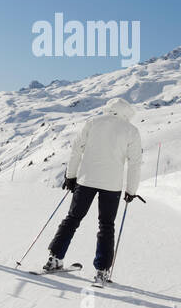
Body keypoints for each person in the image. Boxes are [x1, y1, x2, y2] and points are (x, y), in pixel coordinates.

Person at [44, 97, 143, 285]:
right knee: (106, 226)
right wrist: (131, 190)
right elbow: (135, 163)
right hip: (111, 186)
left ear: (109, 108)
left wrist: (71, 176)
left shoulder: (93, 123)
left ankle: (54, 258)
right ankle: (102, 271)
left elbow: (76, 150)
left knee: (72, 219)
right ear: (127, 112)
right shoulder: (131, 130)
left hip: (86, 180)